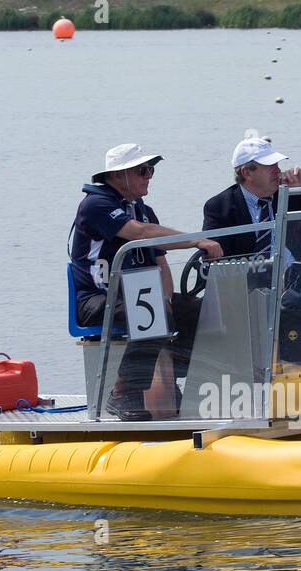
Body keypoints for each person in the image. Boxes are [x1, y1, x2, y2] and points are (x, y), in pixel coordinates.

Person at [70, 143, 222, 421]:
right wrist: (197, 240)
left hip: (140, 295)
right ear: (118, 176)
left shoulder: (143, 210)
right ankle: (121, 393)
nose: (149, 175)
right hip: (97, 298)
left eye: (150, 170)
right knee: (151, 313)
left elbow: (161, 265)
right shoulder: (96, 204)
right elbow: (140, 234)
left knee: (203, 312)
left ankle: (170, 380)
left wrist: (167, 301)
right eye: (143, 170)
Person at [202, 137, 301, 264]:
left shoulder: (288, 195)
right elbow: (215, 261)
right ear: (247, 173)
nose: (278, 170)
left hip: (299, 283)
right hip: (251, 289)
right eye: (269, 165)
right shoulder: (219, 207)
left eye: (277, 164)